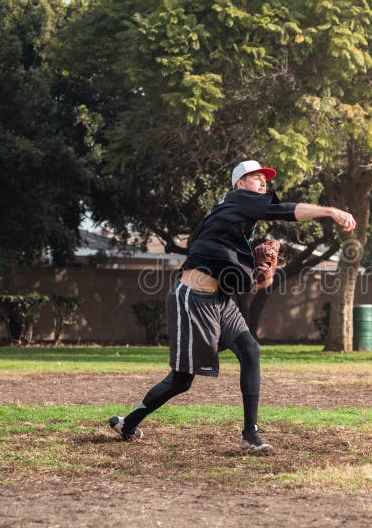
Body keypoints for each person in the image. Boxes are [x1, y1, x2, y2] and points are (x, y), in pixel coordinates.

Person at [109, 160, 356, 451]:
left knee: (250, 350)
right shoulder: (239, 200)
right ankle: (129, 423)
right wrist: (329, 210)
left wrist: (256, 277)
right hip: (192, 298)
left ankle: (250, 433)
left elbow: (229, 272)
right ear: (239, 184)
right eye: (255, 177)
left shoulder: (235, 217)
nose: (262, 182)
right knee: (181, 380)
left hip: (218, 299)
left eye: (265, 178)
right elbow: (283, 211)